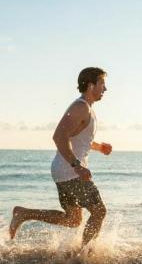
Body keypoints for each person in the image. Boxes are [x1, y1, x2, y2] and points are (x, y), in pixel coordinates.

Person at [9, 67, 112, 249]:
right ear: (90, 85)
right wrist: (77, 166)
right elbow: (59, 136)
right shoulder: (80, 107)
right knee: (99, 211)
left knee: (73, 220)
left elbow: (79, 138)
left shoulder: (87, 108)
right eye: (102, 83)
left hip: (64, 171)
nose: (105, 88)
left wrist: (99, 146)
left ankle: (24, 214)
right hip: (70, 171)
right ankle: (83, 255)